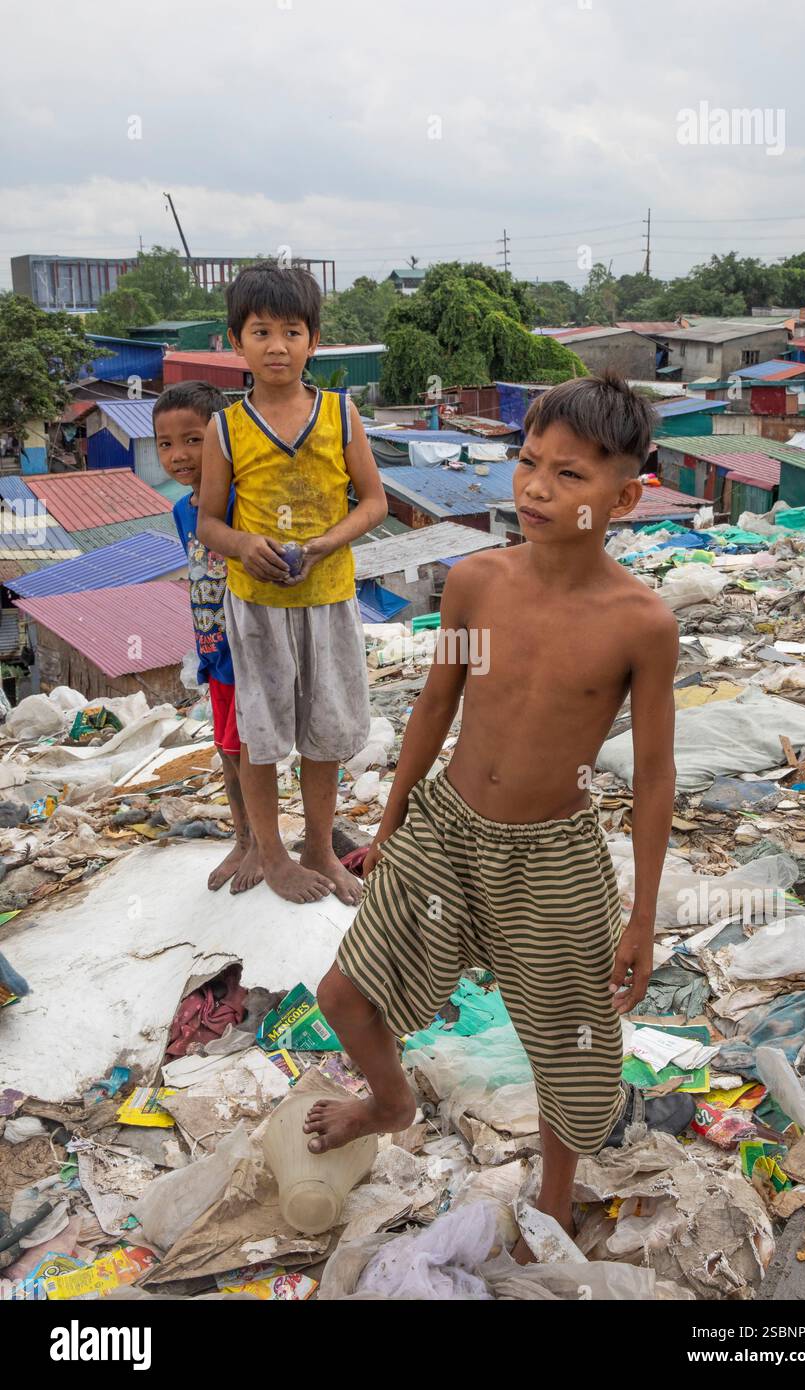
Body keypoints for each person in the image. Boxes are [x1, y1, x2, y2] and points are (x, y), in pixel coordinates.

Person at [304, 372, 679, 1262]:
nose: (537, 490)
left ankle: (553, 1198)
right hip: (446, 827)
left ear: (624, 496)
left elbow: (656, 775)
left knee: (570, 1050)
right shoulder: (477, 581)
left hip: (553, 853)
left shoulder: (641, 624)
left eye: (570, 476)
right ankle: (389, 1102)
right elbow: (436, 705)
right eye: (528, 462)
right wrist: (393, 822)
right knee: (343, 995)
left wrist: (643, 914)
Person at [197, 262, 388, 907]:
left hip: (329, 599)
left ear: (314, 341)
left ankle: (319, 851)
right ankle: (273, 855)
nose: (277, 346)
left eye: (291, 331)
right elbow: (208, 523)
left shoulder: (340, 413)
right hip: (257, 609)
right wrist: (245, 545)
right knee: (261, 733)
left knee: (325, 732)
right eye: (261, 331)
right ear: (234, 341)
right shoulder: (226, 428)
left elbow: (374, 502)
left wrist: (329, 540)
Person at [154, 381, 262, 894]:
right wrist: (204, 649)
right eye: (166, 443)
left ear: (222, 439)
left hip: (250, 649)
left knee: (250, 750)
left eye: (193, 440)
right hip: (213, 648)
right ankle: (242, 839)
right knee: (226, 749)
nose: (178, 455)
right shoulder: (181, 510)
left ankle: (264, 844)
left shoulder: (244, 502)